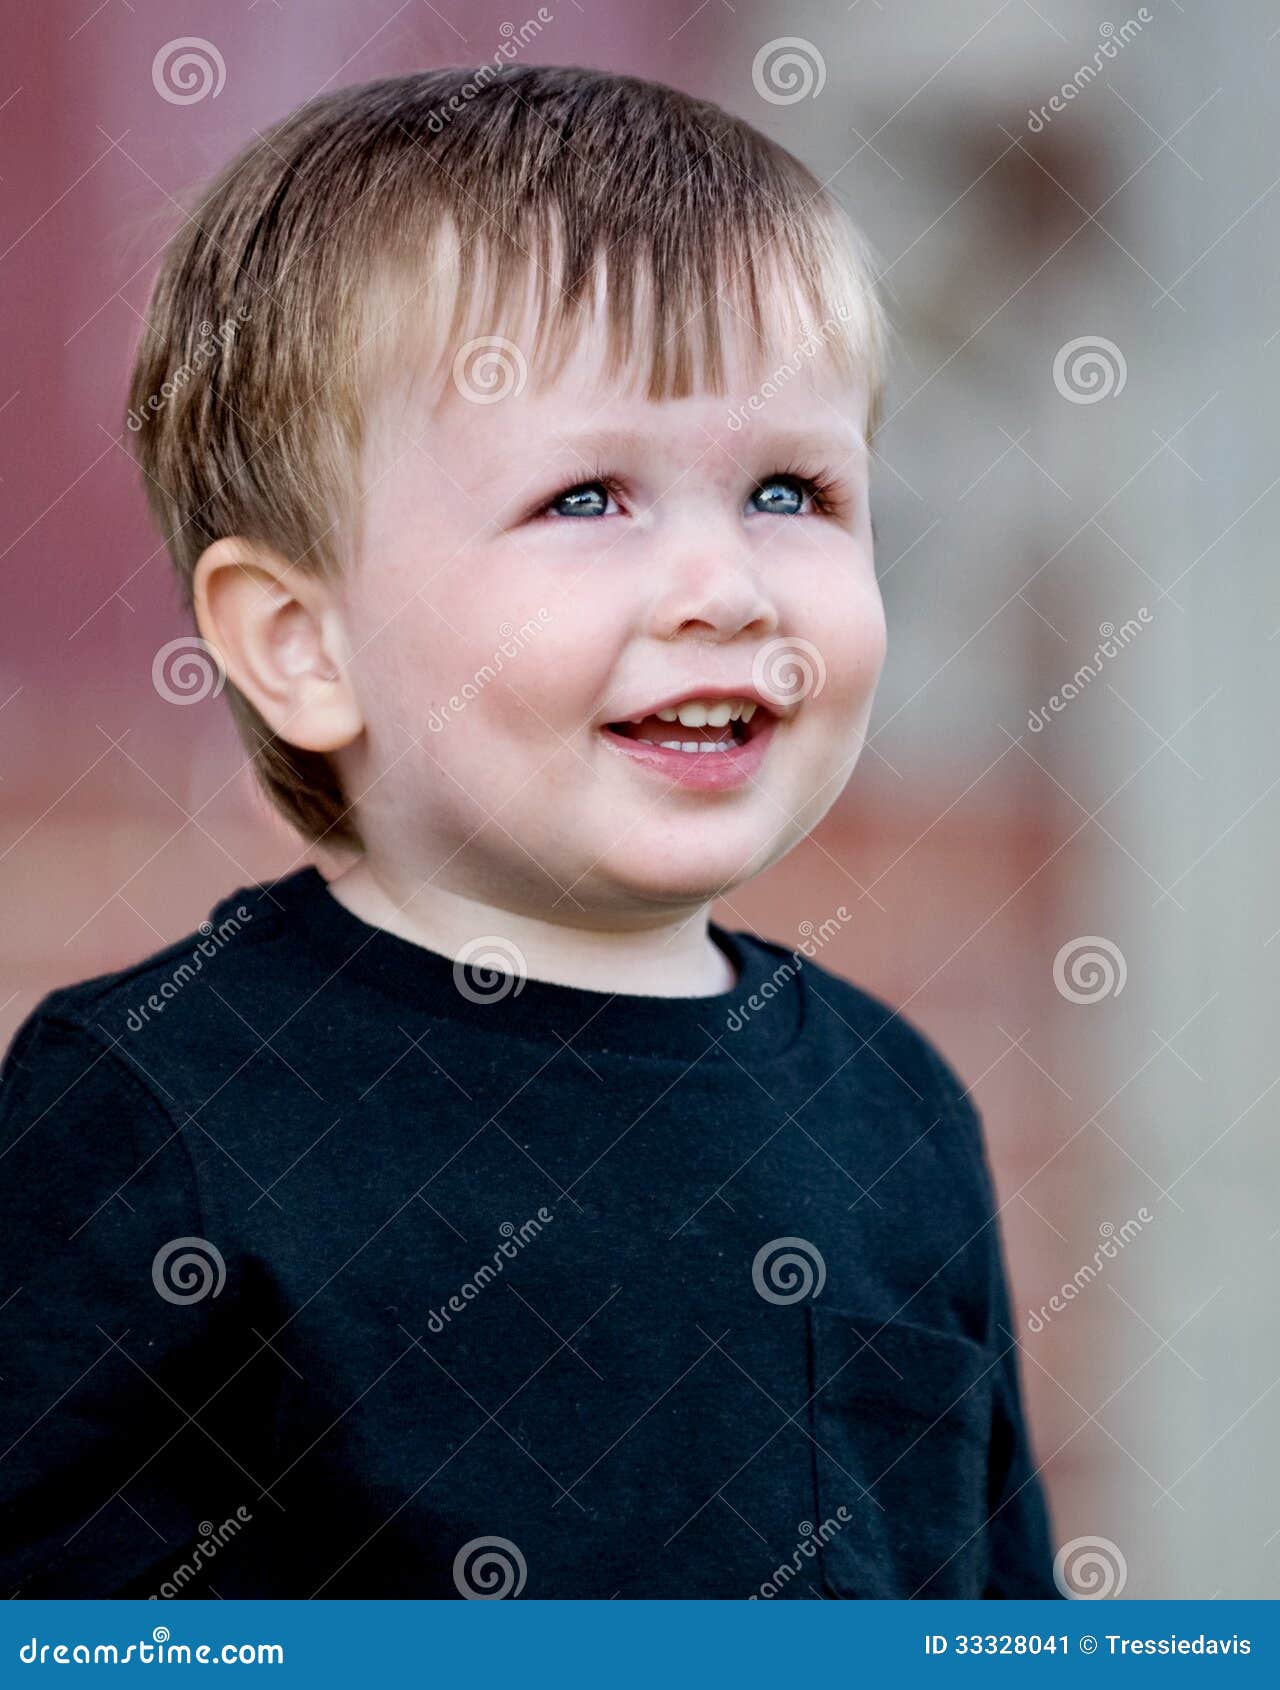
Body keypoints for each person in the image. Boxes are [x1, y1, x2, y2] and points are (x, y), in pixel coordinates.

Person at [0, 65, 1056, 1599]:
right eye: (588, 498)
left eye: (789, 488)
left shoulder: (895, 1111)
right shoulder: (150, 1111)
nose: (728, 587)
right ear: (302, 641)